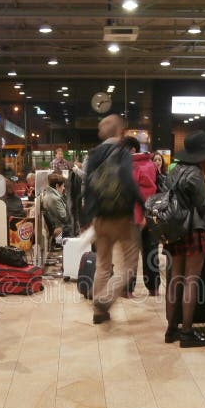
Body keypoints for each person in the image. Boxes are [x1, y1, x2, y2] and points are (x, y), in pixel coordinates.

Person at [164, 130, 205, 348]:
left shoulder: (174, 170)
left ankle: (171, 330)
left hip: (175, 231)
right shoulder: (195, 174)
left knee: (175, 279)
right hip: (193, 232)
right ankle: (187, 332)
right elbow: (204, 206)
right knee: (191, 279)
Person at [82, 114, 143, 324]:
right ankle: (103, 299)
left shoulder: (93, 154)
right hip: (122, 219)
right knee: (129, 264)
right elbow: (128, 181)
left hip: (100, 217)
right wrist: (141, 207)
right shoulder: (122, 152)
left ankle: (99, 313)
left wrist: (88, 216)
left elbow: (87, 187)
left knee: (103, 264)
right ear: (121, 131)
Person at [123, 136, 159, 295]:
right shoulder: (150, 164)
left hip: (133, 215)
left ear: (130, 150)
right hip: (151, 214)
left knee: (131, 254)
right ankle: (154, 288)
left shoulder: (129, 166)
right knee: (151, 252)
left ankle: (128, 289)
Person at [42, 172, 71, 238]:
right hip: (61, 228)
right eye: (63, 186)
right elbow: (65, 218)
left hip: (60, 227)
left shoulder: (50, 196)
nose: (63, 188)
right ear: (57, 186)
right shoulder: (55, 199)